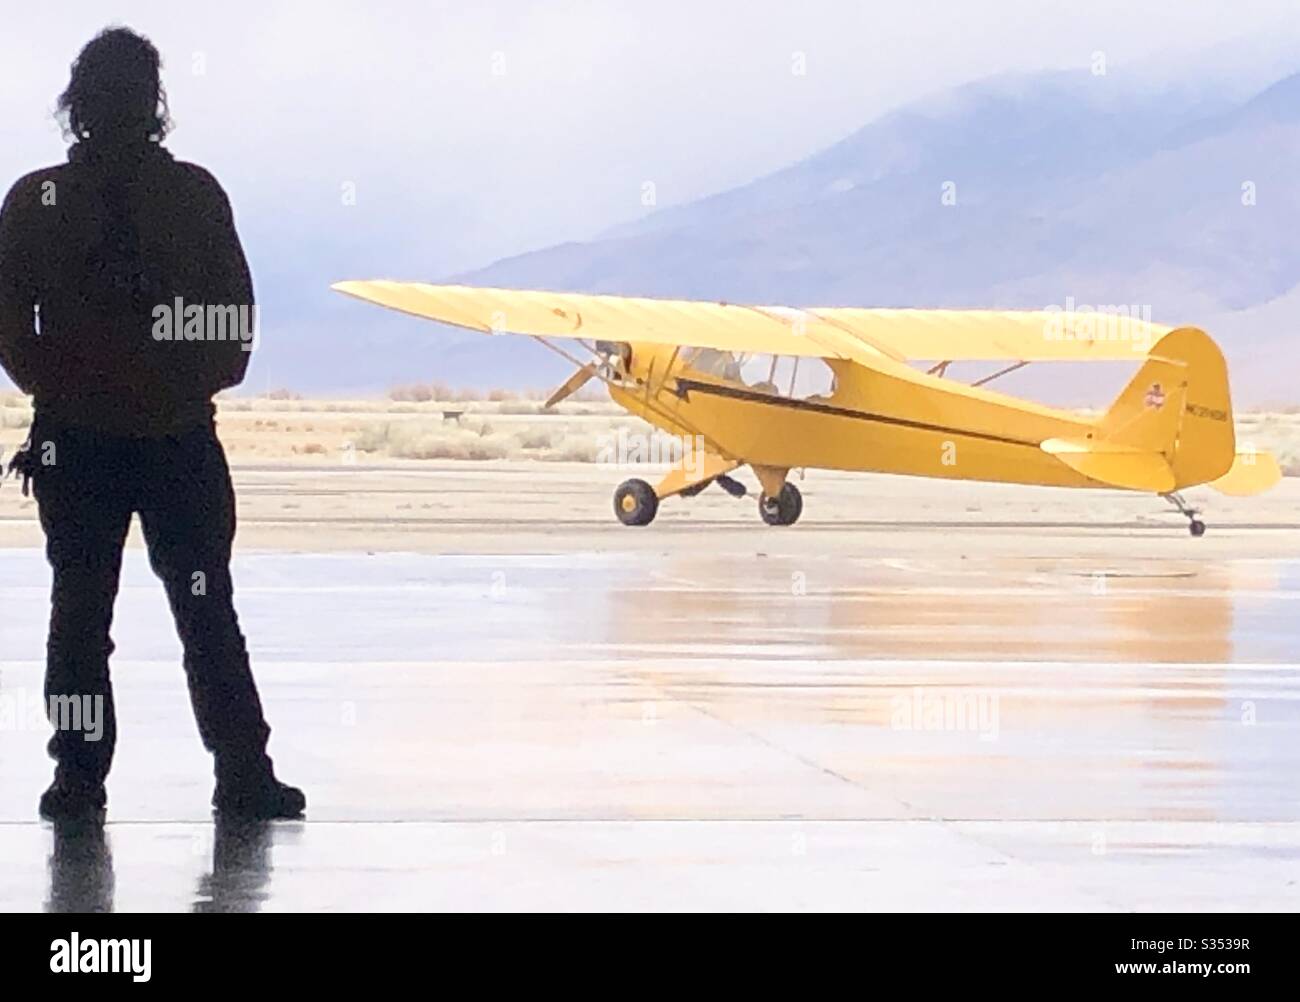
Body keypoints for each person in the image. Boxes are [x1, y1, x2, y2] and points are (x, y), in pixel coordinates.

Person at [0, 28, 304, 820]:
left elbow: (10, 327)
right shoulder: (192, 197)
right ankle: (241, 771)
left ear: (77, 102)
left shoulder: (37, 204)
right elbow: (233, 328)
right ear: (154, 102)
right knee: (204, 614)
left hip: (85, 444)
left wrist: (65, 386)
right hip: (173, 444)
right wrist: (169, 383)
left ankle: (78, 778)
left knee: (80, 621)